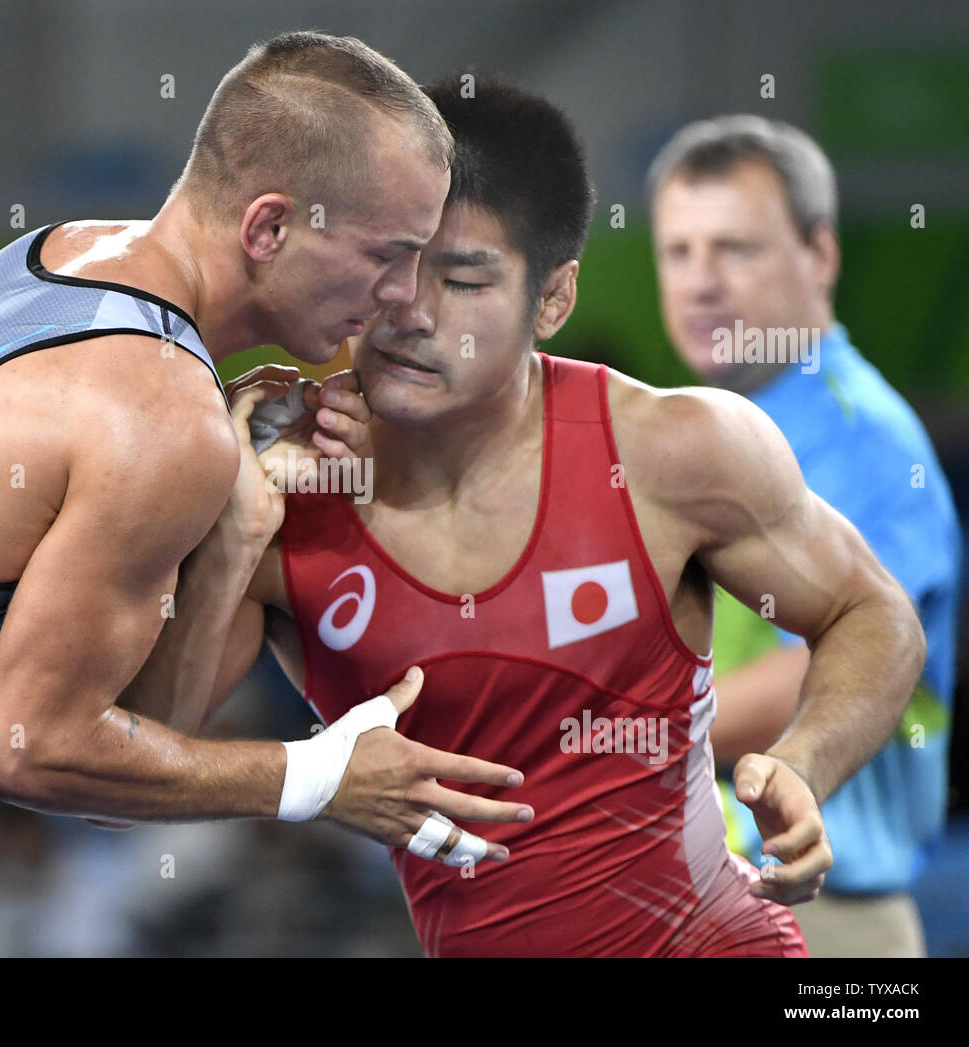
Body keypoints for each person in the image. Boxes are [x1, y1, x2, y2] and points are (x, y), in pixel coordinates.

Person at [0, 32, 534, 959]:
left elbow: (133, 752)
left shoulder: (52, 255)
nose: (404, 297)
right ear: (270, 229)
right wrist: (317, 777)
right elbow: (31, 748)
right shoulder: (159, 411)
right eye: (388, 254)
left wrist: (237, 526)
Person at [125, 78, 928, 957]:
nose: (412, 312)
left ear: (553, 301)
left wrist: (806, 764)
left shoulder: (677, 450)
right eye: (389, 264)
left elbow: (877, 613)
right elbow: (132, 762)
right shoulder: (275, 492)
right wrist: (237, 531)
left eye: (464, 280)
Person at [648, 115, 962, 956]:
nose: (701, 281)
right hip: (707, 903)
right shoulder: (709, 429)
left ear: (820, 255)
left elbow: (843, 659)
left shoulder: (867, 438)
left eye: (735, 248)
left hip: (824, 917)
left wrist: (601, 743)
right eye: (678, 252)